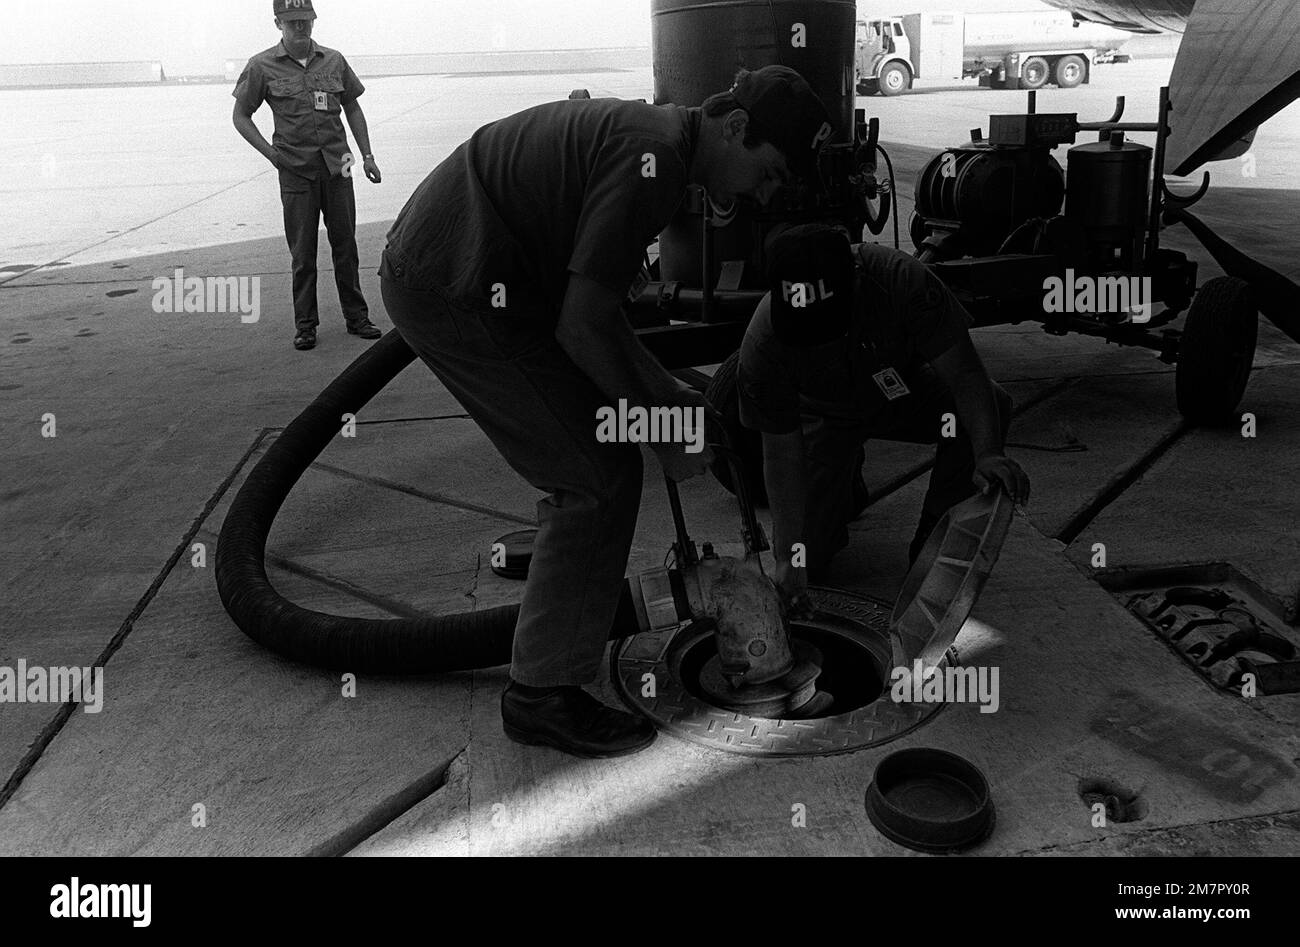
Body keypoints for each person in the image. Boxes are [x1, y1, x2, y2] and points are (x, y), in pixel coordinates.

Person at [379, 66, 837, 758]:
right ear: (737, 129)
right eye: (768, 172)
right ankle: (540, 694)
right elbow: (582, 328)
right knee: (596, 475)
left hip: (483, 275)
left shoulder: (662, 143)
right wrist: (659, 428)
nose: (763, 194)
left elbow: (599, 314)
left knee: (601, 448)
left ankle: (555, 636)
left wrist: (667, 397)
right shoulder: (654, 161)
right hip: (456, 283)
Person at [737, 223, 1031, 609]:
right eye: (810, 333)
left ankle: (935, 543)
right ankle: (841, 478)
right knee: (809, 561)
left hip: (899, 393)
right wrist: (786, 556)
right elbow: (781, 454)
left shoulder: (901, 280)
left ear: (856, 280)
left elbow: (964, 374)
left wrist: (988, 453)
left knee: (990, 405)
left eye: (830, 325)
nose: (824, 341)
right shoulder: (764, 344)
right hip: (824, 417)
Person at [232, 0, 383, 351]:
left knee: (346, 246)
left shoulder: (334, 60)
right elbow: (241, 115)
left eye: (306, 20)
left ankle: (356, 317)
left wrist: (367, 156)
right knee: (303, 253)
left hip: (339, 166)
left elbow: (353, 107)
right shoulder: (261, 66)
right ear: (277, 23)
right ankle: (305, 325)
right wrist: (271, 155)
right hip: (296, 171)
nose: (301, 27)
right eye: (293, 22)